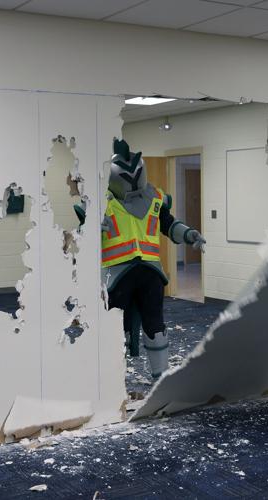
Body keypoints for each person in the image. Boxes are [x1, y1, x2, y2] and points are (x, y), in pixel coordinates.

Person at [101, 139, 205, 379]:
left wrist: (188, 234)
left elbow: (168, 224)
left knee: (155, 326)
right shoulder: (101, 201)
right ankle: (111, 380)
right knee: (114, 328)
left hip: (150, 272)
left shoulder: (156, 197)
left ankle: (160, 377)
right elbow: (77, 235)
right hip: (116, 275)